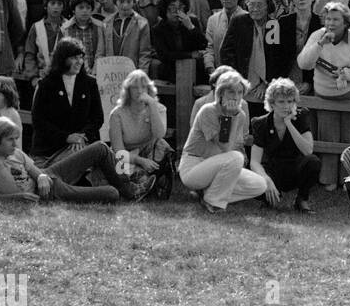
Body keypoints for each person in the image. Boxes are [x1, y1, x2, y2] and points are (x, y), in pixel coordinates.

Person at [0, 116, 132, 204]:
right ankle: (125, 191)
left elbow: (35, 171)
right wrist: (17, 198)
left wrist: (41, 176)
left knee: (101, 147)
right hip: (47, 193)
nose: (15, 143)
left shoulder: (16, 153)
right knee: (112, 193)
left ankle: (130, 189)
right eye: (10, 140)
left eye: (15, 139)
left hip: (48, 175)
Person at [180, 70, 266, 213]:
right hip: (194, 167)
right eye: (231, 92)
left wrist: (234, 117)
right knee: (235, 157)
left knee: (260, 185)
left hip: (218, 164)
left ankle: (209, 194)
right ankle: (213, 201)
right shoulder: (208, 110)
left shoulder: (240, 114)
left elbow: (233, 146)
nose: (236, 97)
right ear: (220, 93)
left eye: (239, 92)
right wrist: (230, 118)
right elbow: (226, 148)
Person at [249, 78, 321, 214]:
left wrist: (289, 123)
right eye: (281, 102)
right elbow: (254, 162)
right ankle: (270, 198)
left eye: (290, 101)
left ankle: (302, 200)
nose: (286, 106)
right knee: (256, 177)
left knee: (313, 162)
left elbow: (308, 150)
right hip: (274, 170)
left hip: (296, 167)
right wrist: (266, 180)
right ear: (272, 104)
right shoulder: (260, 123)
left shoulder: (301, 116)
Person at [29, 38, 104, 161]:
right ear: (62, 59)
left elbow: (97, 118)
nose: (79, 62)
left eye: (80, 57)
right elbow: (39, 121)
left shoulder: (90, 83)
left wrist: (81, 137)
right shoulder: (46, 85)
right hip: (50, 149)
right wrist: (67, 137)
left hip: (83, 144)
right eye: (74, 58)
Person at [108, 69, 172, 181]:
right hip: (126, 156)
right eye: (135, 88)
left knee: (162, 144)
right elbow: (119, 151)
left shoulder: (158, 108)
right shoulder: (117, 114)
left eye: (143, 87)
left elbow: (159, 134)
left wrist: (152, 104)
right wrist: (140, 161)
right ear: (128, 90)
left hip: (149, 151)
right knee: (128, 175)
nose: (139, 91)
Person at [298, 2, 350, 99]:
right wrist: (320, 44)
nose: (331, 23)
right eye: (328, 19)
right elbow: (303, 64)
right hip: (322, 95)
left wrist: (344, 73)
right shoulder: (317, 36)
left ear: (345, 23)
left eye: (335, 19)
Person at [151, 0, 208, 84]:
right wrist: (190, 55)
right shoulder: (158, 29)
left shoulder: (191, 21)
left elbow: (203, 44)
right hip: (170, 73)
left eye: (180, 7)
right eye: (172, 7)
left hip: (194, 71)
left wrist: (190, 27)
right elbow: (164, 55)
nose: (176, 11)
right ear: (165, 8)